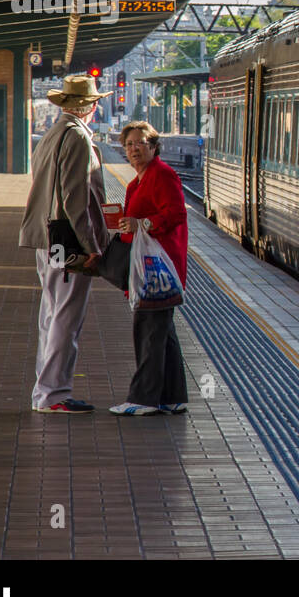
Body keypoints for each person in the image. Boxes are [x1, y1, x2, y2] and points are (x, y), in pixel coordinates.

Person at [18, 74, 112, 413]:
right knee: (66, 316)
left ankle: (44, 391)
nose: (97, 106)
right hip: (67, 239)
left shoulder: (52, 135)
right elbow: (76, 199)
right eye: (96, 102)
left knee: (52, 312)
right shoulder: (77, 138)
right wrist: (91, 246)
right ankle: (54, 394)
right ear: (87, 106)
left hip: (47, 237)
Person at [109, 120, 189, 416]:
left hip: (157, 268)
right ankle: (172, 396)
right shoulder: (136, 182)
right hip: (148, 265)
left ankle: (143, 399)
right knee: (163, 332)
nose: (133, 149)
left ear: (154, 147)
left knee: (149, 333)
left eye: (140, 143)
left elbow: (176, 213)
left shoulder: (162, 175)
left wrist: (143, 223)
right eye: (129, 144)